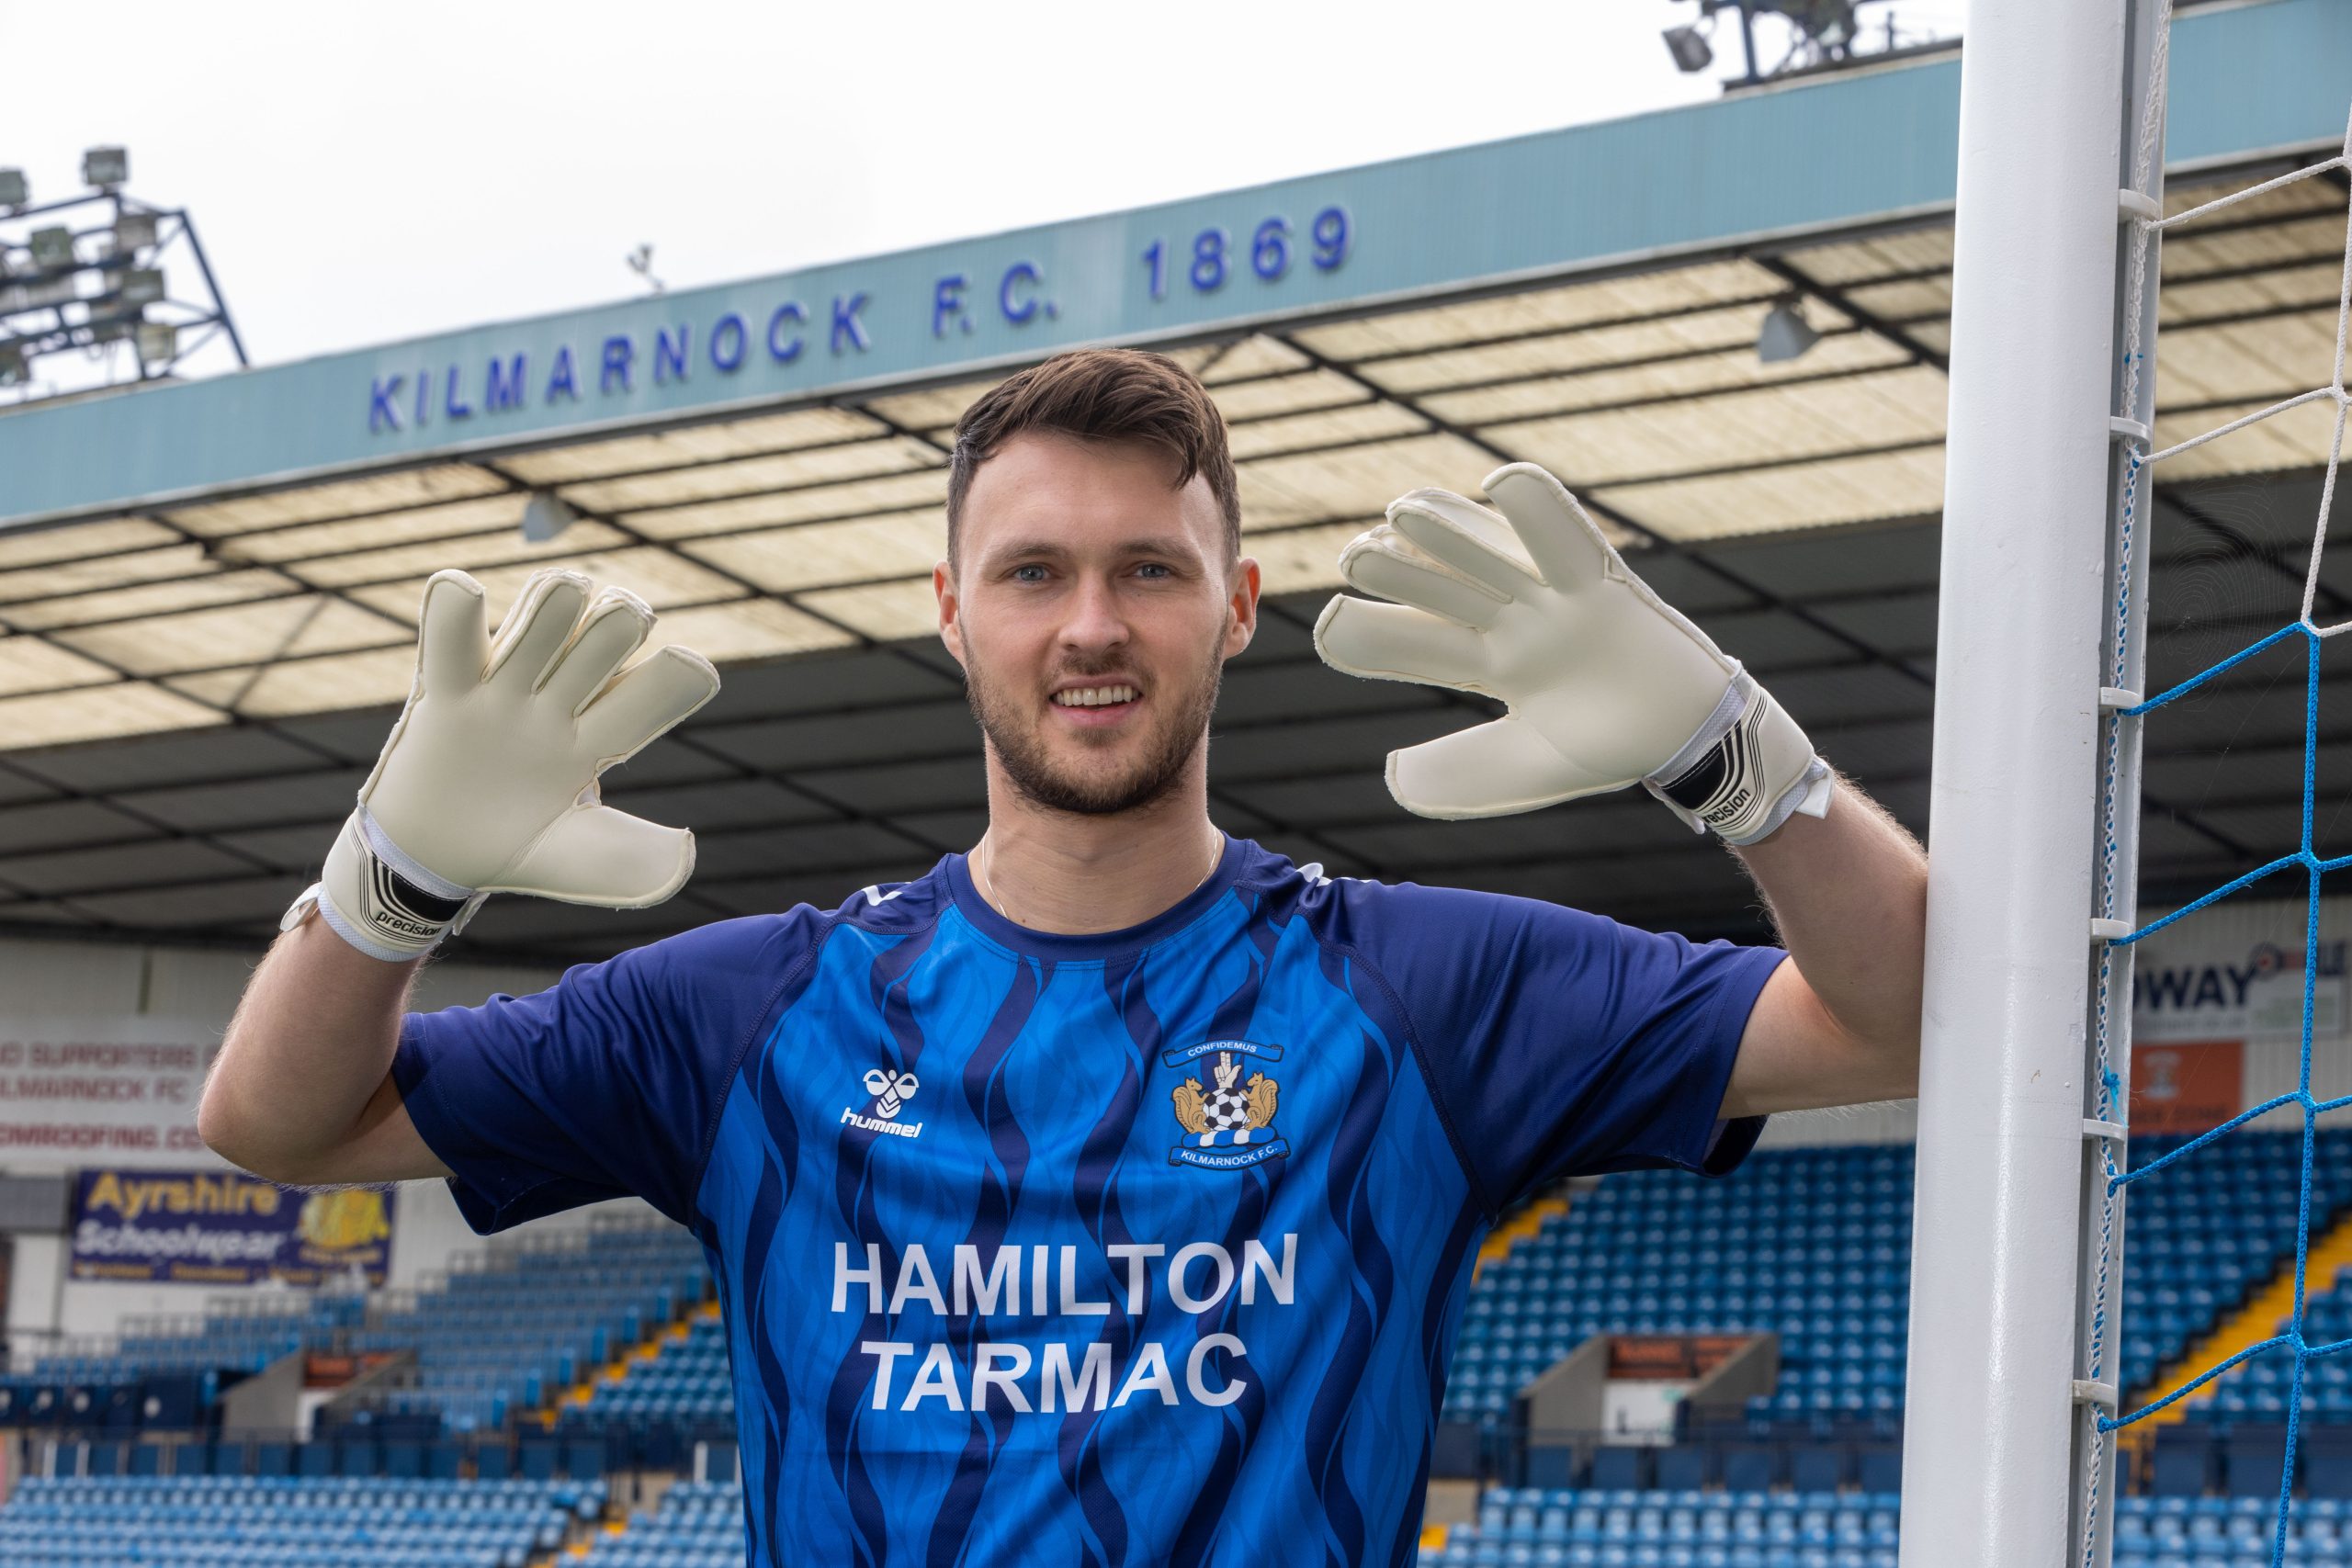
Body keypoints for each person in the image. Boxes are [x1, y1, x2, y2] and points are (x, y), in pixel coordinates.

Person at [199, 347, 1927, 1567]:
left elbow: (1907, 1021)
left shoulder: (1417, 988)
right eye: (1031, 571)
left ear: (1235, 607)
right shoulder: (750, 1014)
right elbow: (280, 1125)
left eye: (1146, 572)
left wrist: (1731, 755)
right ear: (952, 614)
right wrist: (391, 879)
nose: (1090, 624)